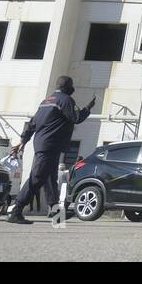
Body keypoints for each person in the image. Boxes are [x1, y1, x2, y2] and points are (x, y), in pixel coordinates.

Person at [6, 76, 94, 224]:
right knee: (37, 177)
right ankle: (16, 210)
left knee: (50, 180)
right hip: (50, 146)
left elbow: (32, 123)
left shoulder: (46, 101)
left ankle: (56, 215)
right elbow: (76, 117)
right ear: (68, 87)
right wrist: (88, 108)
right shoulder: (65, 100)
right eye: (72, 86)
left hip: (43, 144)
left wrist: (23, 140)